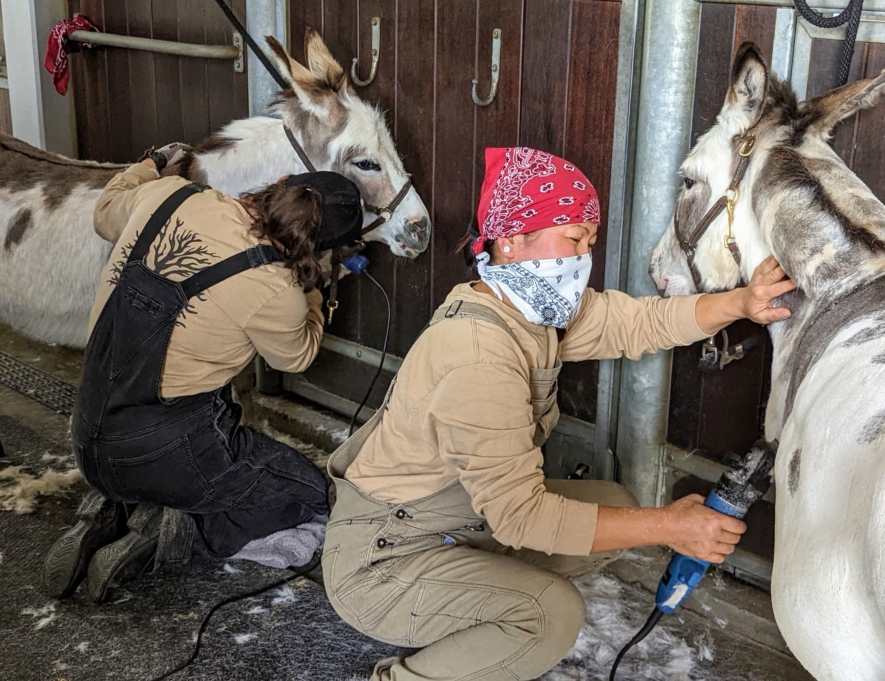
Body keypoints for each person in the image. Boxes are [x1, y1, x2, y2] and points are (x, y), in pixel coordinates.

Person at [322, 147, 796, 680]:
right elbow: (522, 517)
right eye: (572, 238)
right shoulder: (477, 354)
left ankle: (478, 609)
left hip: (456, 519)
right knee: (550, 615)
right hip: (384, 561)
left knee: (614, 507)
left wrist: (741, 303)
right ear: (511, 239)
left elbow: (637, 323)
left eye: (589, 242)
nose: (583, 257)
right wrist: (668, 525)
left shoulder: (532, 309)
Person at [42, 146, 362, 603]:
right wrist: (314, 285)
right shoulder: (277, 288)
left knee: (154, 458)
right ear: (317, 248)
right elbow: (297, 357)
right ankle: (172, 532)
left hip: (87, 434)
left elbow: (105, 212)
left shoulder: (172, 194)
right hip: (172, 452)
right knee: (306, 495)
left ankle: (112, 508)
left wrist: (149, 165)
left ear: (281, 182)